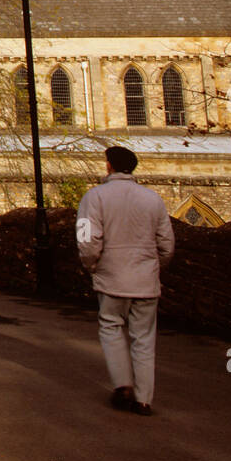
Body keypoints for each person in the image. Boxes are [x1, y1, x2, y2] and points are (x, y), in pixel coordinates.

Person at [76, 145, 175, 416]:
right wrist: (153, 268)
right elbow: (166, 244)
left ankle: (122, 386)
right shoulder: (153, 199)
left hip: (112, 277)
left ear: (109, 166)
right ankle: (144, 400)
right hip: (145, 280)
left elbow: (87, 239)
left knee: (111, 328)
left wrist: (91, 265)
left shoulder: (94, 197)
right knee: (144, 338)